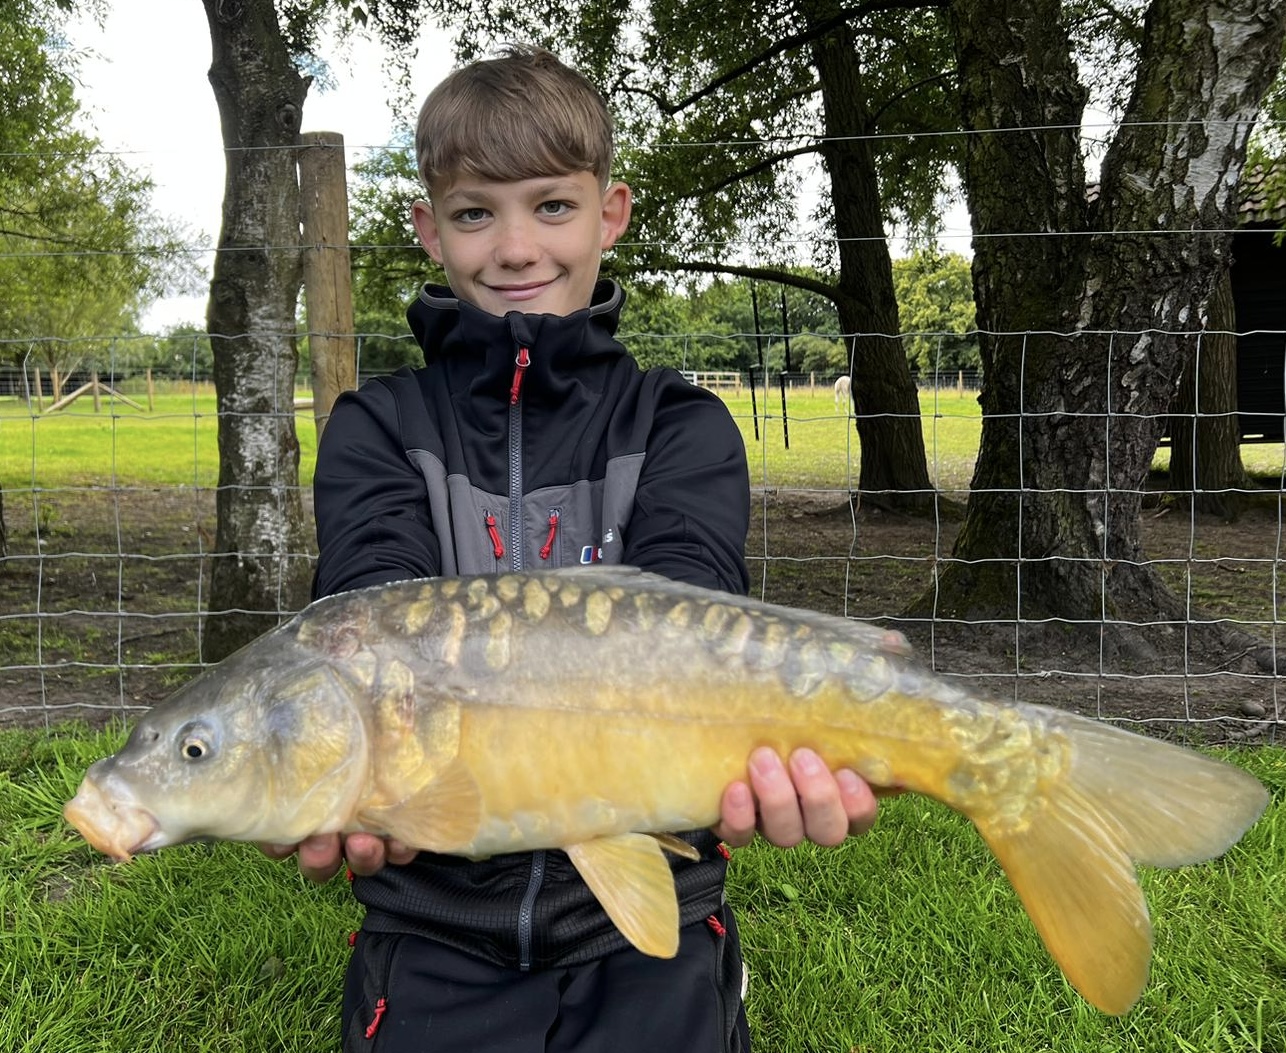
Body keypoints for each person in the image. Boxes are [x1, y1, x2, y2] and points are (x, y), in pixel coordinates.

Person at [266, 44, 879, 1052]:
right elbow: (372, 615)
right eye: (474, 213)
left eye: (550, 206)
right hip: (432, 919)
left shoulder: (679, 427)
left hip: (655, 915)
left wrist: (808, 734)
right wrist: (343, 759)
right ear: (428, 228)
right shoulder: (376, 427)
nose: (513, 248)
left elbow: (696, 619)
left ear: (611, 212)